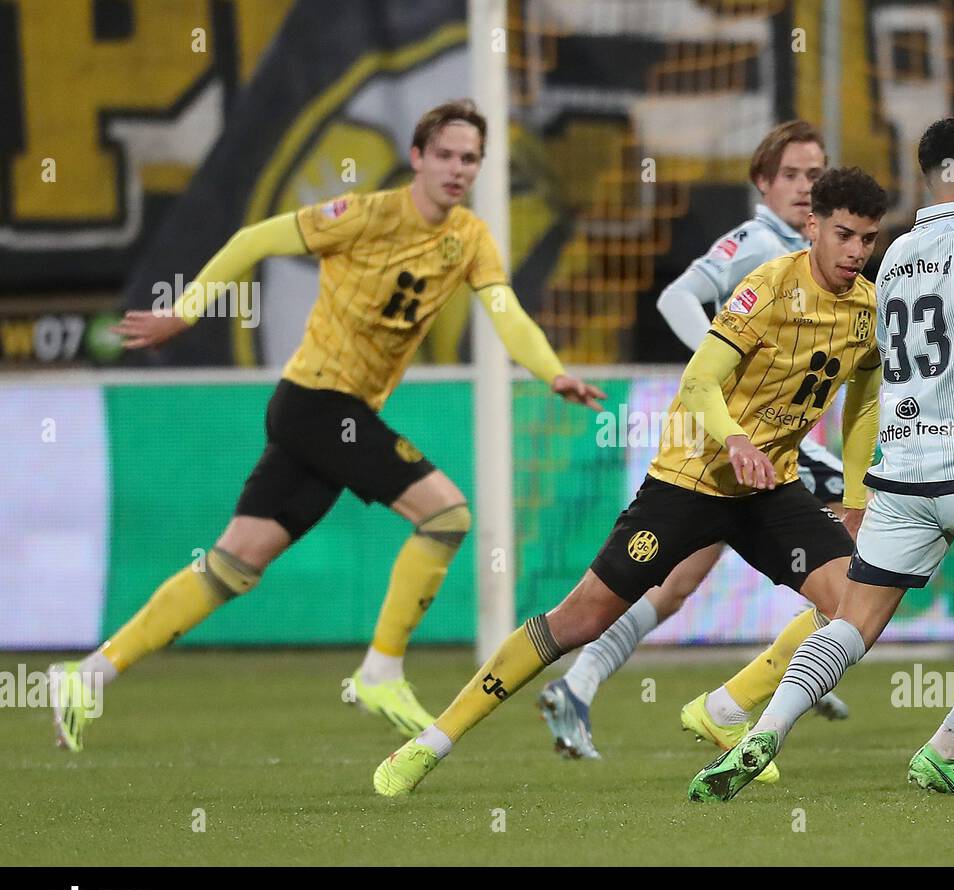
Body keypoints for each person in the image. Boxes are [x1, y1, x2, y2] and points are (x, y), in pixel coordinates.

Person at [49, 100, 604, 752]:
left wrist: (551, 371)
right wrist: (186, 310)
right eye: (447, 155)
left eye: (471, 158)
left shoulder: (471, 239)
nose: (458, 169)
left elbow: (507, 313)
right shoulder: (364, 216)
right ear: (418, 157)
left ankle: (87, 674)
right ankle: (382, 668)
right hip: (317, 404)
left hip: (332, 416)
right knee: (447, 515)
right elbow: (253, 240)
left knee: (231, 566)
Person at [373, 166, 887, 797]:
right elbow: (698, 381)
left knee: (857, 606)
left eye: (868, 239)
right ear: (812, 226)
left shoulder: (867, 308)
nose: (857, 253)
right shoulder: (767, 289)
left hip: (768, 488)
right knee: (579, 621)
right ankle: (430, 743)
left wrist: (857, 499)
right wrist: (735, 438)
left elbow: (864, 401)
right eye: (845, 236)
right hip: (691, 480)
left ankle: (723, 710)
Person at [688, 118, 954, 803]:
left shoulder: (899, 254)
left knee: (852, 618)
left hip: (903, 474)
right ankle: (944, 749)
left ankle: (767, 730)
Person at [537, 121, 852, 767]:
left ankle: (580, 684)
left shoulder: (811, 252)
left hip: (758, 440)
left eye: (815, 175)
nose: (804, 186)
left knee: (676, 585)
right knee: (861, 548)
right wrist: (720, 360)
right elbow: (678, 296)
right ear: (763, 183)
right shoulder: (761, 243)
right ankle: (798, 667)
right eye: (791, 174)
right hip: (735, 438)